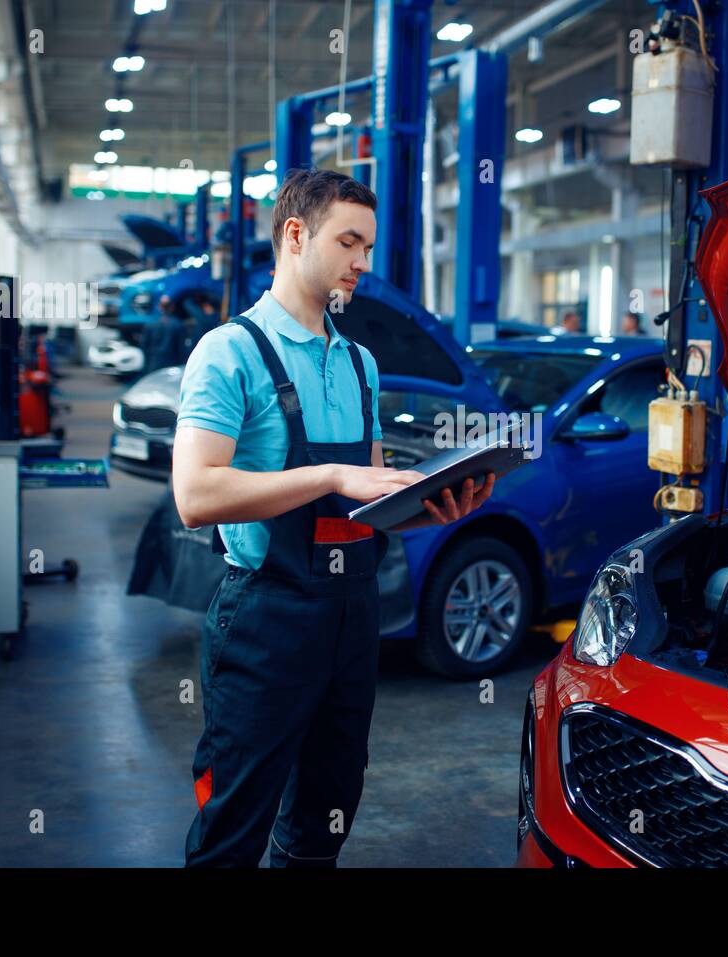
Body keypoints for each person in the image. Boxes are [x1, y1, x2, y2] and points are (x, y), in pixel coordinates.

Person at [172, 168, 494, 868]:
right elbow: (194, 494)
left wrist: (433, 508)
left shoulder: (360, 365)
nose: (363, 264)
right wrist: (329, 472)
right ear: (295, 235)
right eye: (350, 241)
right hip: (265, 619)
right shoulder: (231, 352)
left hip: (350, 617)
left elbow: (361, 509)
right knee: (233, 826)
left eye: (370, 247)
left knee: (326, 817)